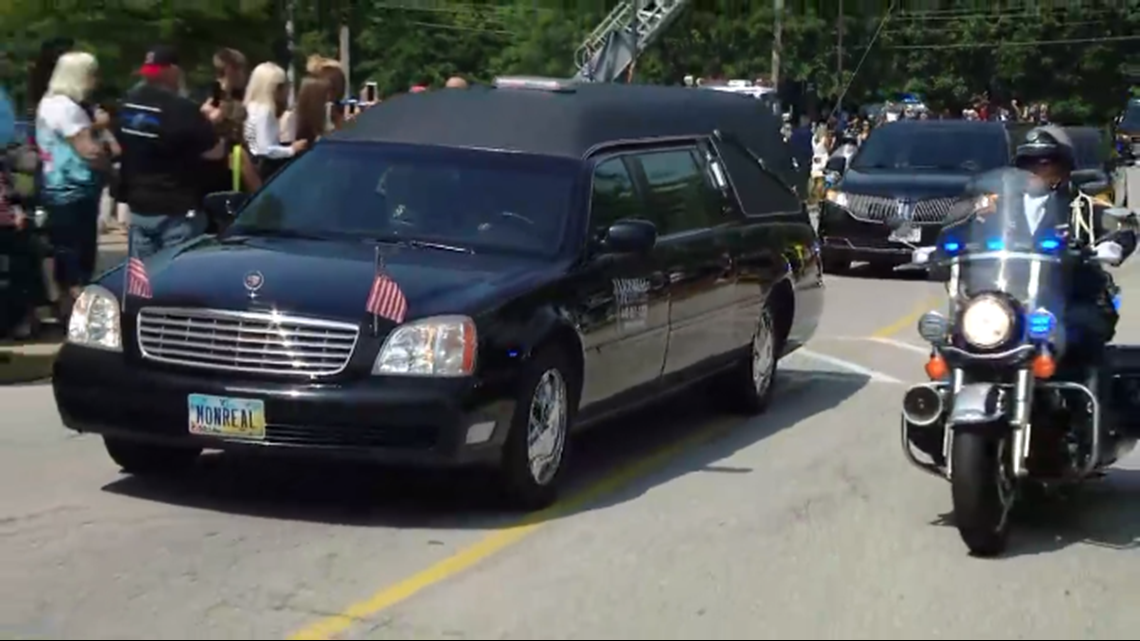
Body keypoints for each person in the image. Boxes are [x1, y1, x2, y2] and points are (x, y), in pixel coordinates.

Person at [1013, 126, 1135, 376]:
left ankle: (1091, 401)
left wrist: (1115, 243)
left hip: (1071, 297)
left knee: (1084, 332)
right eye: (1028, 163)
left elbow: (1125, 227)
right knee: (965, 334)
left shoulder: (1084, 206)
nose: (1035, 170)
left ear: (1064, 167)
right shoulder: (1000, 206)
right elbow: (962, 230)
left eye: (1045, 162)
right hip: (1011, 298)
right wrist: (937, 250)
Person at [115, 45, 224, 260]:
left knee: (142, 282)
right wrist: (212, 124)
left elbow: (121, 145)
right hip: (176, 207)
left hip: (138, 204)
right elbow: (214, 152)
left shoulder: (128, 105)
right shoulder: (182, 108)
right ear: (174, 71)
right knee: (176, 279)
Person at [35, 52, 114, 318]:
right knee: (78, 255)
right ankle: (78, 312)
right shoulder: (68, 109)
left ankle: (66, 308)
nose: (96, 80)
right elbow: (89, 151)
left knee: (65, 250)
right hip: (73, 188)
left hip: (56, 185)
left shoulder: (48, 102)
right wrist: (100, 130)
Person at [242, 62, 307, 181]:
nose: (287, 90)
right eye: (283, 85)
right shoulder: (265, 111)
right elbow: (265, 149)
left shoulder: (251, 107)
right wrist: (291, 150)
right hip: (264, 169)